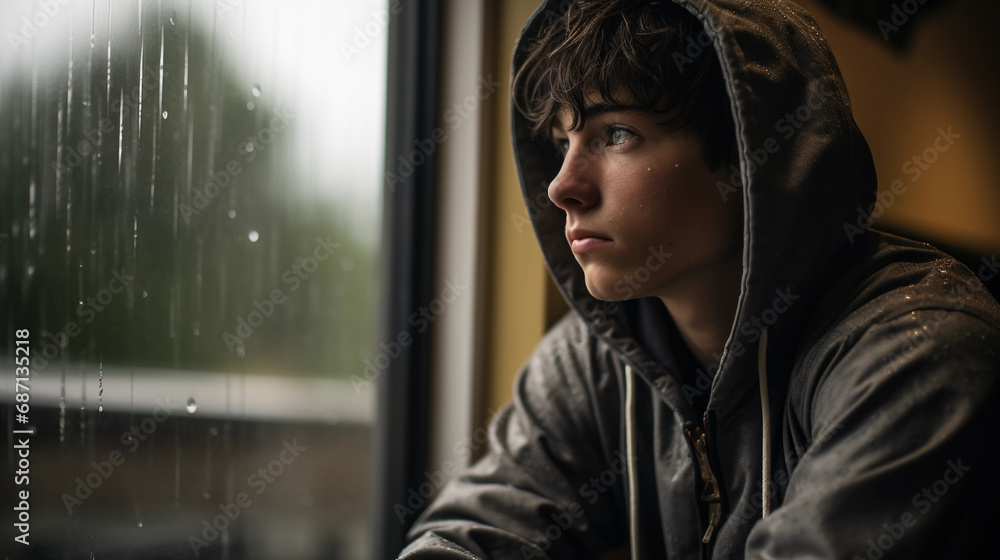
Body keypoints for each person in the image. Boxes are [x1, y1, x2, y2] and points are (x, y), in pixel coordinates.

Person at [399, 0, 1000, 558]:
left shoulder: (919, 350)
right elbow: (473, 533)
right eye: (562, 142)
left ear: (750, 154)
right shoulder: (594, 363)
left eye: (616, 134)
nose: (561, 186)